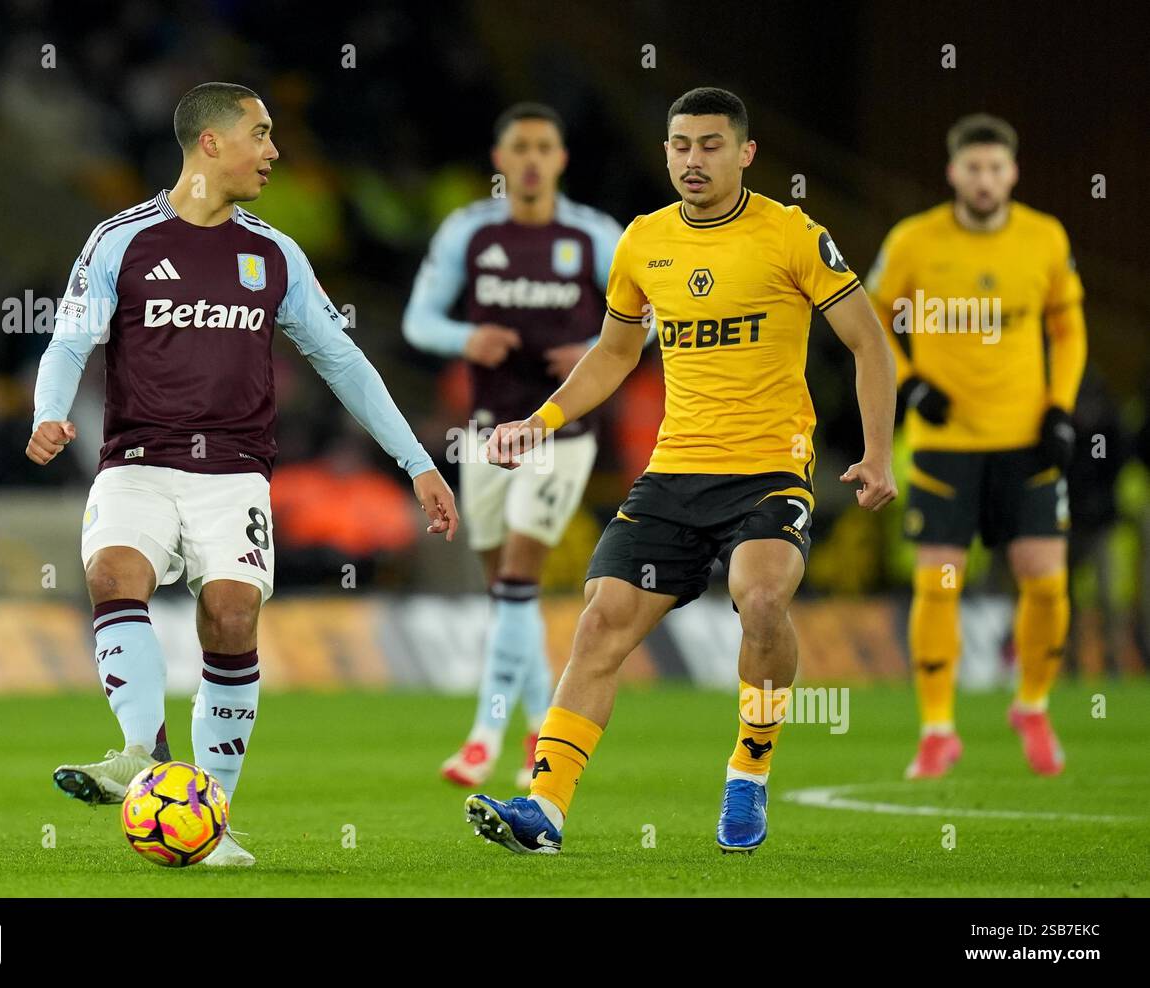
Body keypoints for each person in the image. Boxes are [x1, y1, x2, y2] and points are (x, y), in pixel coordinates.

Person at [26, 82, 458, 866]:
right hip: (137, 463)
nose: (274, 151)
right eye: (260, 134)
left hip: (234, 474)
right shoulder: (122, 238)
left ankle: (213, 818)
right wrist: (49, 412)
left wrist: (418, 462)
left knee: (229, 615)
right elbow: (66, 341)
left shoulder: (274, 254)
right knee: (114, 573)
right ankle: (141, 753)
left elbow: (344, 362)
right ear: (210, 143)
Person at [463, 87, 896, 855]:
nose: (693, 160)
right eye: (680, 145)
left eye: (710, 145)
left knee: (760, 600)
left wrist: (876, 453)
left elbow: (869, 343)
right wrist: (542, 421)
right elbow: (616, 353)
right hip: (675, 473)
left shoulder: (792, 235)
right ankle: (545, 810)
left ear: (745, 153)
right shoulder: (643, 243)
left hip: (769, 471)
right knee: (599, 622)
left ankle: (749, 772)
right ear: (664, 151)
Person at [403, 103, 622, 789]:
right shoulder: (470, 231)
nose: (532, 158)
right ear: (500, 160)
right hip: (486, 435)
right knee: (508, 596)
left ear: (561, 159)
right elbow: (419, 320)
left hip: (561, 430)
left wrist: (590, 351)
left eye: (545, 147)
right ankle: (538, 731)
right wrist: (465, 339)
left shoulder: (594, 236)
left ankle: (482, 737)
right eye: (519, 147)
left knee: (521, 578)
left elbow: (646, 322)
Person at [868, 113, 1087, 779]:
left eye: (996, 168)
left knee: (1046, 584)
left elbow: (1068, 329)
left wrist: (1060, 409)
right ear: (953, 171)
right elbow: (871, 315)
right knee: (939, 581)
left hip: (1025, 441)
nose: (985, 180)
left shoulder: (1045, 238)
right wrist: (908, 385)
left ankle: (1033, 706)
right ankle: (937, 729)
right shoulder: (914, 241)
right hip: (945, 444)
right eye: (974, 168)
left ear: (1012, 173)